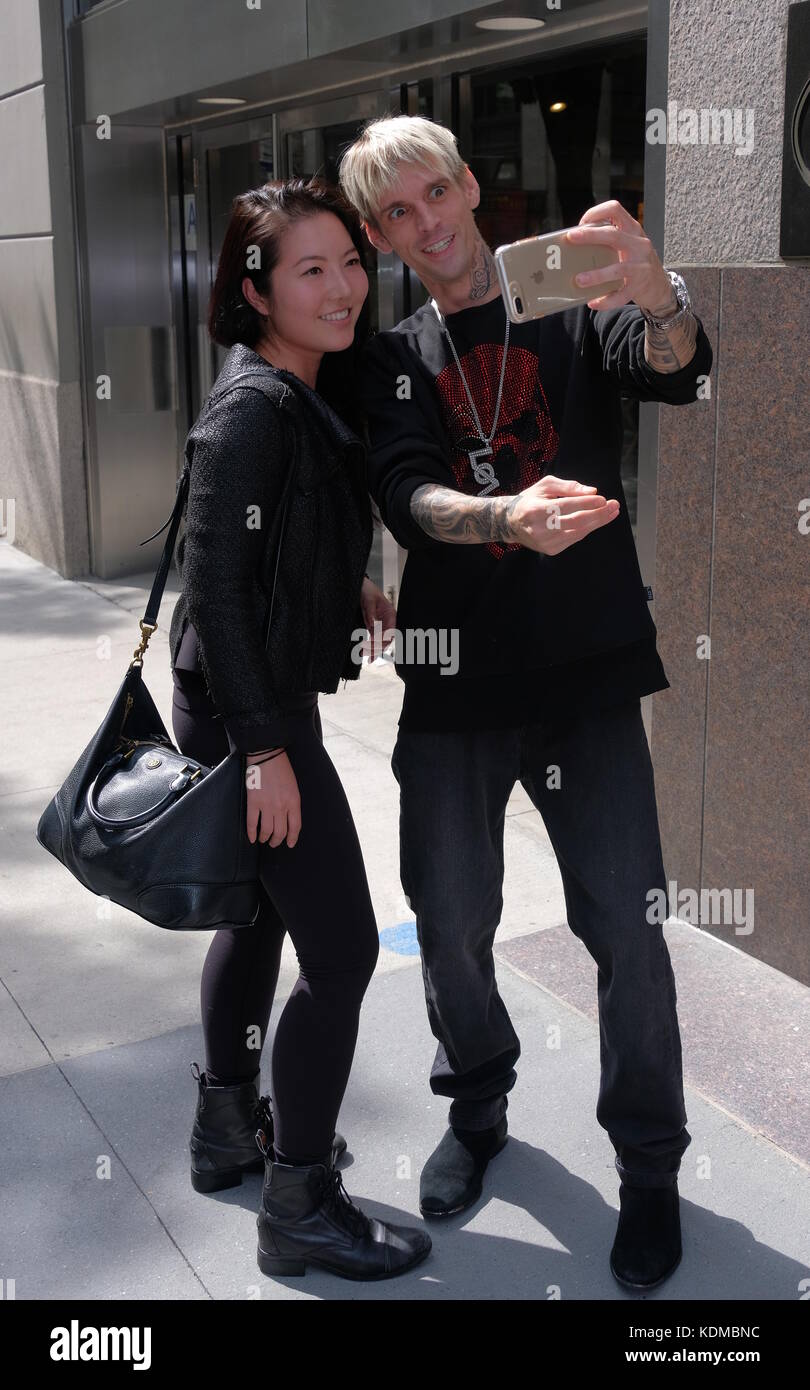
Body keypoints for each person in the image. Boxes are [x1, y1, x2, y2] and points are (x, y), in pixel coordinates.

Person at [338, 114, 714, 1292]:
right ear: (375, 235)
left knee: (627, 934)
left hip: (591, 674)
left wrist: (657, 293)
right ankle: (480, 1108)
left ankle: (648, 1170)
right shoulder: (390, 356)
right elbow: (405, 494)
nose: (426, 225)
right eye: (395, 215)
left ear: (467, 184)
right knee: (449, 921)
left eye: (436, 192)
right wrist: (502, 517)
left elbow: (678, 370)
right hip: (454, 687)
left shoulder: (568, 298)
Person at [169, 176, 431, 1282]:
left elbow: (282, 557)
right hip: (249, 718)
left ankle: (228, 1132)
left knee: (262, 921)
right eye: (310, 269)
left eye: (350, 263)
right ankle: (302, 1203)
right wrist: (266, 752)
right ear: (256, 286)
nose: (341, 288)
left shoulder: (294, 387)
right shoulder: (253, 409)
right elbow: (219, 587)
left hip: (247, 705)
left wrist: (346, 598)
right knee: (344, 952)